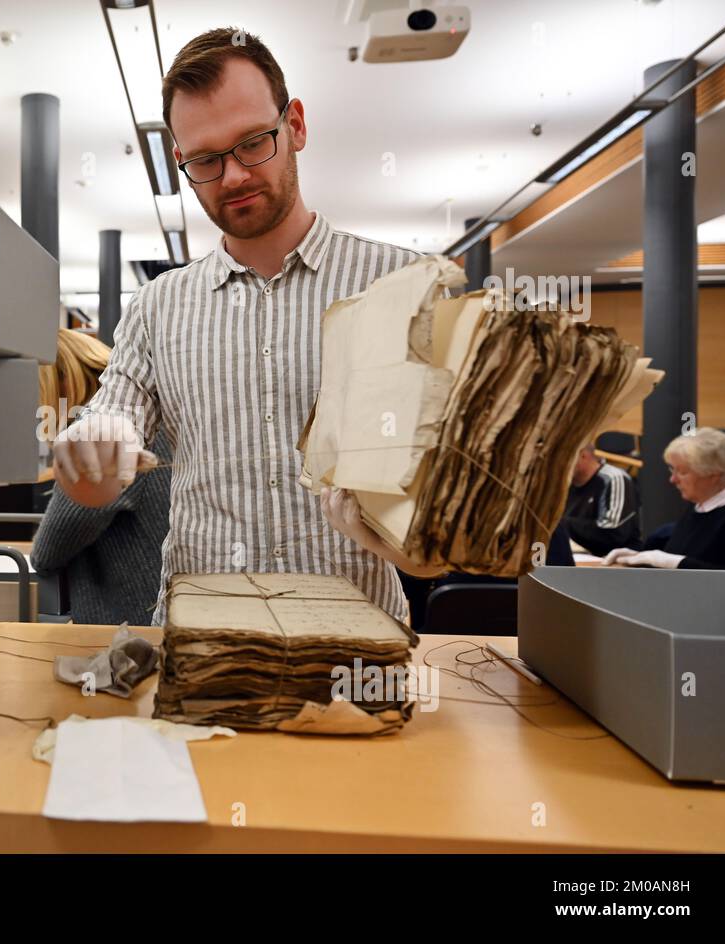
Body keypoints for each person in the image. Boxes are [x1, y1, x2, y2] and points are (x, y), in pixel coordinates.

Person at [50, 28, 442, 628]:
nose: (232, 176)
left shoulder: (399, 284)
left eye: (253, 143)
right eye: (205, 160)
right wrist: (92, 462)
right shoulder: (158, 305)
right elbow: (111, 434)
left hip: (354, 647)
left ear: (297, 126)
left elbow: (437, 513)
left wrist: (416, 539)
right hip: (201, 649)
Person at [31, 330, 172, 625]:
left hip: (134, 630)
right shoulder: (143, 417)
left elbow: (47, 553)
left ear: (64, 381)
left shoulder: (99, 438)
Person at [602, 427, 725, 570]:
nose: (673, 480)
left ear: (714, 475)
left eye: (683, 472)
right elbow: (689, 557)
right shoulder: (702, 504)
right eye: (672, 470)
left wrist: (671, 562)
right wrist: (639, 557)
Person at [563, 444, 641, 556]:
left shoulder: (613, 478)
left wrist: (563, 524)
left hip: (613, 562)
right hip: (575, 558)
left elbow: (612, 534)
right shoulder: (563, 483)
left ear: (583, 455)